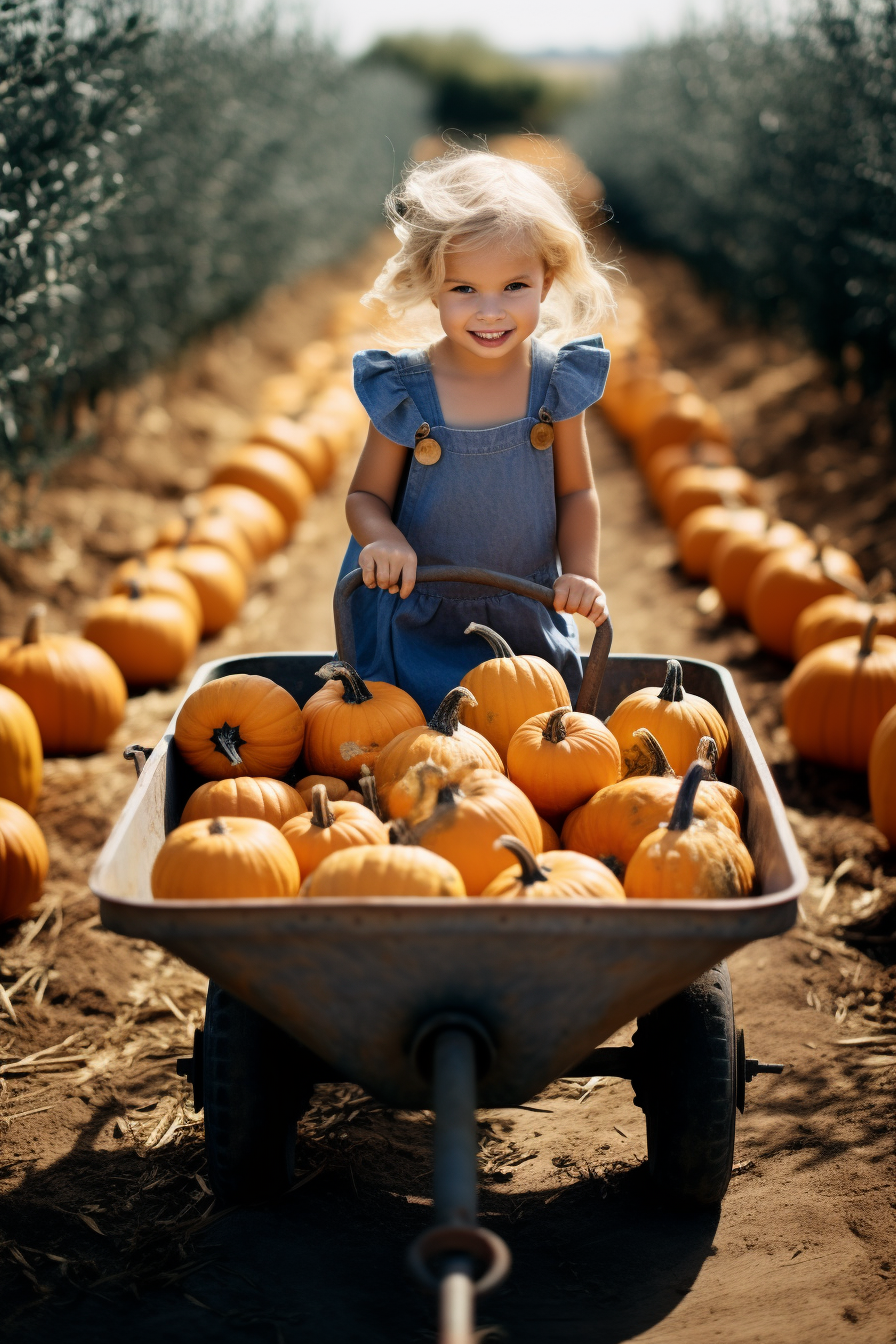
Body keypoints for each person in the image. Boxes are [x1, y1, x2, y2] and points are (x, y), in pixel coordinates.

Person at [339, 147, 616, 718]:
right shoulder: (405, 389)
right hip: (413, 619)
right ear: (431, 286)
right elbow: (365, 495)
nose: (491, 312)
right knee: (404, 739)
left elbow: (576, 492)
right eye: (464, 289)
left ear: (546, 281)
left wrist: (581, 573)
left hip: (525, 623)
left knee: (531, 740)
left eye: (514, 286)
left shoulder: (556, 385)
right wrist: (383, 539)